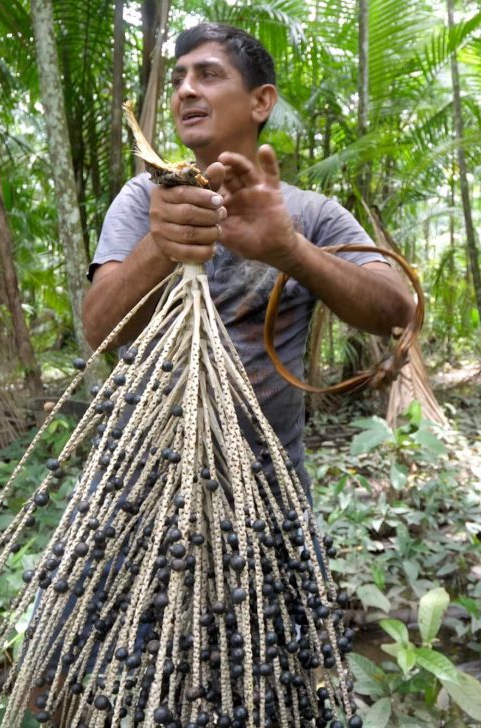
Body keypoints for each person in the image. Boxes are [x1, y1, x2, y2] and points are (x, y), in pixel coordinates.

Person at [82, 22, 414, 481]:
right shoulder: (144, 200)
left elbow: (397, 309)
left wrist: (291, 250)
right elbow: (100, 329)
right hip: (139, 488)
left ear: (261, 101)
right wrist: (161, 245)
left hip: (266, 495)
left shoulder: (311, 214)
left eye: (208, 75)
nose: (186, 92)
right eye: (178, 80)